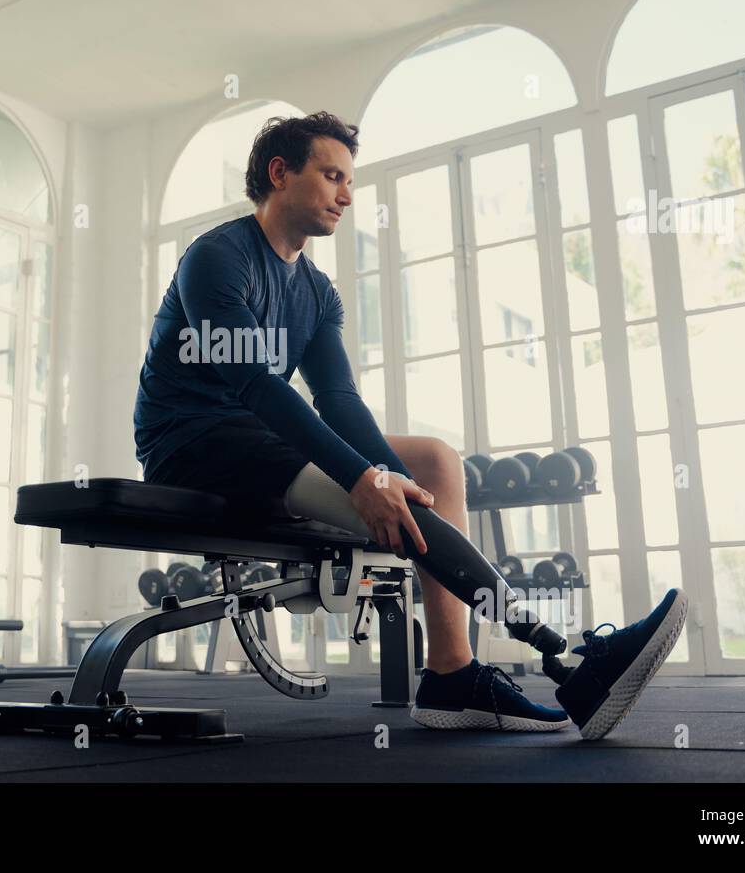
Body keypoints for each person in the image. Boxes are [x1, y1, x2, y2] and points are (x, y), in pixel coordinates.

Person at [134, 111, 686, 739]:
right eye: (331, 175)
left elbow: (337, 399)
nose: (346, 194)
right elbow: (255, 386)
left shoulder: (316, 292)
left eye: (349, 180)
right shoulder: (215, 258)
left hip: (263, 439)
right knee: (379, 486)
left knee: (433, 463)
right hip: (194, 442)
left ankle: (452, 670)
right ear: (279, 173)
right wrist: (363, 478)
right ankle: (567, 657)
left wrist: (391, 477)